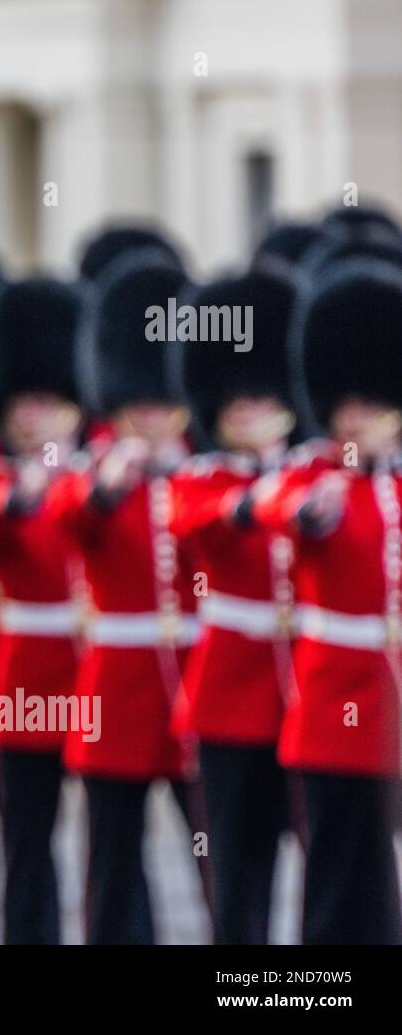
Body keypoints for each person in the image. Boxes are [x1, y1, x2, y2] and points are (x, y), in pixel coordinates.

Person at [46, 248, 208, 945]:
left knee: (219, 853)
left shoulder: (204, 468)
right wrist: (110, 483)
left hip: (199, 680)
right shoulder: (96, 470)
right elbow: (65, 518)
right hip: (116, 684)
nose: (153, 414)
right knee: (113, 860)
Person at [253, 257, 402, 945]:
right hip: (333, 701)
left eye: (371, 405)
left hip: (392, 700)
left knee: (384, 877)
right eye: (346, 407)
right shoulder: (312, 474)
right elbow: (279, 506)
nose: (356, 420)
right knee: (336, 873)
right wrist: (313, 512)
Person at [0, 276, 85, 945]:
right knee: (27, 845)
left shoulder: (102, 475)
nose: (34, 417)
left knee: (111, 845)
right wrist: (23, 495)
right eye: (24, 402)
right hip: (27, 679)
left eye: (49, 402)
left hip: (98, 676)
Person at [167, 265, 300, 944]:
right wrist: (261, 502)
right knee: (236, 872)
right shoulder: (199, 479)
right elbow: (209, 521)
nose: (247, 405)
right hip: (229, 699)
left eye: (262, 393)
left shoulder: (321, 473)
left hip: (309, 697)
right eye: (235, 397)